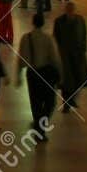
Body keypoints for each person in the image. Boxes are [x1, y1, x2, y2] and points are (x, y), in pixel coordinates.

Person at [17, 12, 61, 141]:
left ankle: (38, 125)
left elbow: (22, 59)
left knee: (35, 102)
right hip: (46, 74)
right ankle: (41, 126)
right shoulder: (48, 38)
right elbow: (54, 58)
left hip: (32, 74)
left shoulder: (26, 38)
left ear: (33, 22)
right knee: (50, 102)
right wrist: (60, 74)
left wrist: (18, 74)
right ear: (43, 23)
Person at [52, 1, 87, 113]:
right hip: (65, 55)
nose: (70, 11)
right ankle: (66, 103)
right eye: (68, 9)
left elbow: (84, 35)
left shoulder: (80, 20)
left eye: (72, 9)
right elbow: (56, 36)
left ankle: (72, 99)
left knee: (78, 77)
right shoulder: (59, 21)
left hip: (78, 54)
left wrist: (83, 49)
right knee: (66, 81)